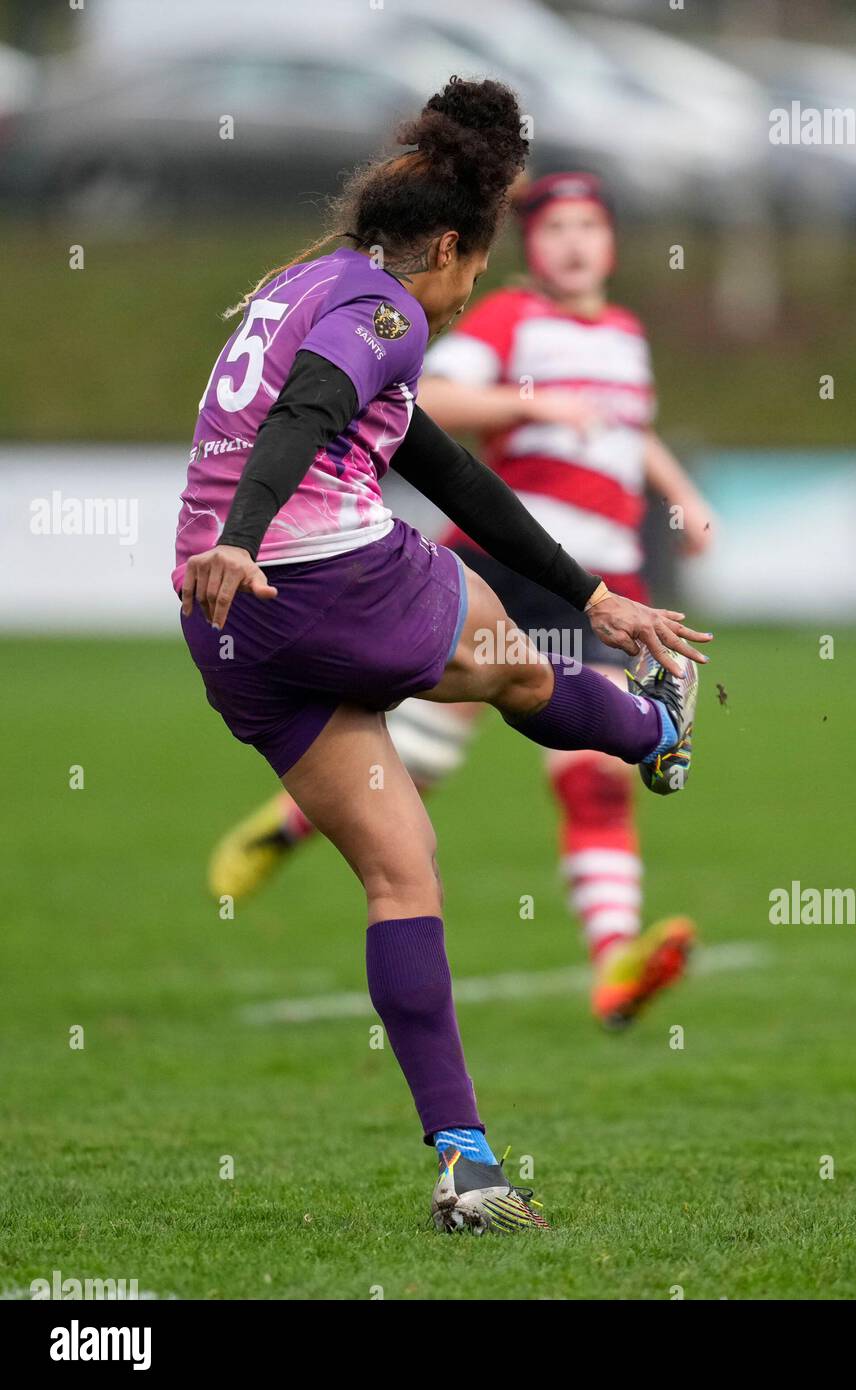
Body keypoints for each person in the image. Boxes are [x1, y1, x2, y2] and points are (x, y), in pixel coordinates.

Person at [175, 79, 709, 1233]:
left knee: (402, 870)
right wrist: (244, 535)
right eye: (476, 269)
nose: (473, 294)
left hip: (229, 624)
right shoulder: (386, 311)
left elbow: (452, 473)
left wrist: (593, 595)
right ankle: (660, 726)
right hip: (321, 576)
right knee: (519, 674)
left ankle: (466, 1164)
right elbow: (307, 413)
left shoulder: (304, 279)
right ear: (453, 246)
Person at [210, 170, 716, 1029]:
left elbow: (627, 429)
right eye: (555, 228)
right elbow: (425, 399)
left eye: (589, 225)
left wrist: (679, 489)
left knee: (585, 780)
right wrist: (535, 400)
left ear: (613, 242)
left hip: (600, 571)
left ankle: (614, 961)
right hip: (507, 562)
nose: (573, 242)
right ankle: (294, 824)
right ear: (523, 246)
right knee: (421, 761)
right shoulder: (509, 318)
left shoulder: (626, 334)